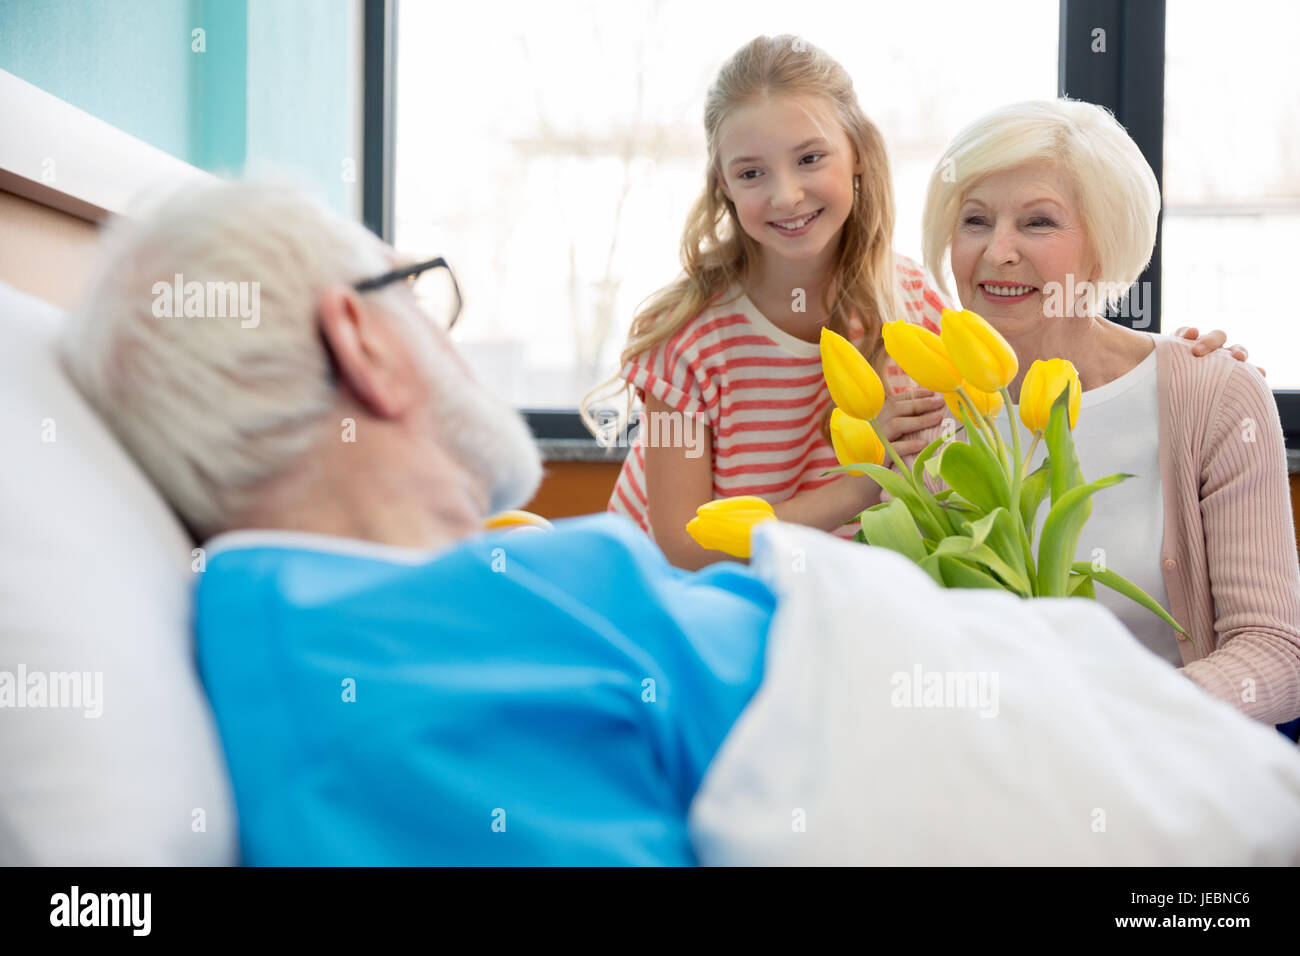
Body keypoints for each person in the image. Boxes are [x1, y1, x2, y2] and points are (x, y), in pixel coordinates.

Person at [58, 181, 780, 865]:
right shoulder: (573, 595)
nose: (449, 337)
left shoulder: (239, 638)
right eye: (411, 290)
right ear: (362, 342)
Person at [586, 34, 1251, 572]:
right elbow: (679, 545)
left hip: (833, 606)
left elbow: (1032, 351)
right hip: (687, 608)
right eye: (751, 172)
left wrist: (1170, 358)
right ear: (723, 187)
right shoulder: (682, 338)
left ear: (857, 159)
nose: (785, 194)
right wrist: (860, 482)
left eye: (809, 157)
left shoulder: (907, 299)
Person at [919, 99, 1300, 726]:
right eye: (975, 221)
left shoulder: (1213, 396)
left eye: (1039, 223)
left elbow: (1274, 654)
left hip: (1171, 762)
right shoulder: (934, 418)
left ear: (1105, 242)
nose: (998, 251)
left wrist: (1116, 721)